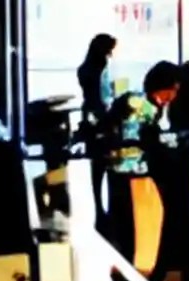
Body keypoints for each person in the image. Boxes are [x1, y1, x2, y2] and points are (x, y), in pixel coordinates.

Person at [104, 61, 182, 271]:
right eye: (173, 90)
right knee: (131, 228)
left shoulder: (137, 100)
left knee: (124, 228)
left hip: (118, 173)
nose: (173, 97)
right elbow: (139, 141)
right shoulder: (142, 106)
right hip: (131, 175)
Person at [77, 33, 117, 222]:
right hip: (102, 118)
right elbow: (105, 96)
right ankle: (105, 210)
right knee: (106, 163)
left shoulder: (84, 69)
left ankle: (98, 207)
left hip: (90, 117)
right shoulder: (101, 70)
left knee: (96, 167)